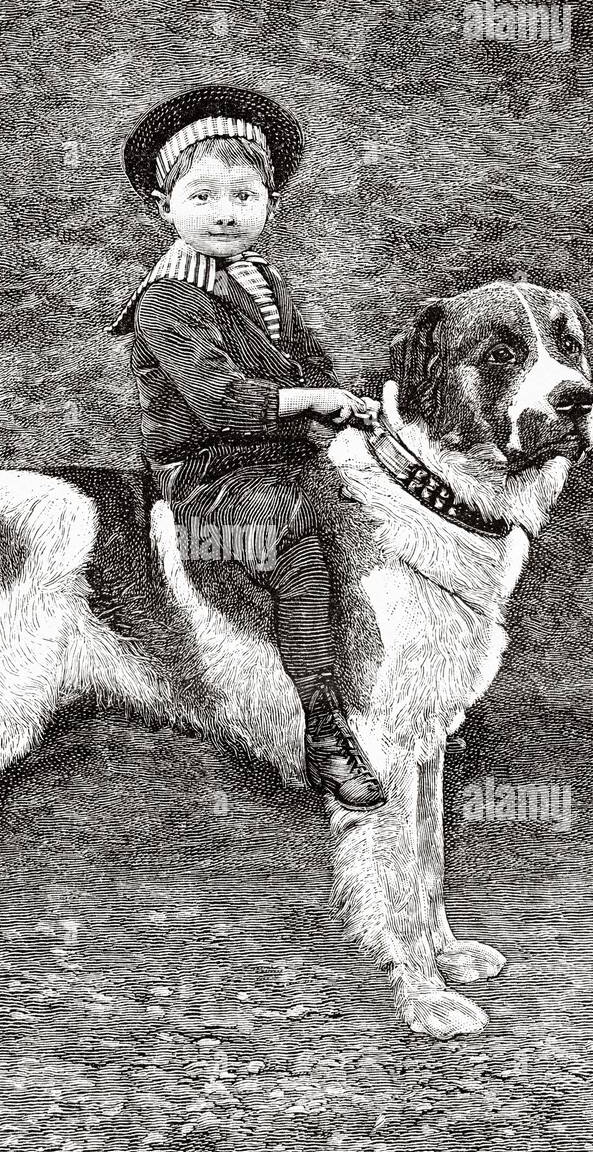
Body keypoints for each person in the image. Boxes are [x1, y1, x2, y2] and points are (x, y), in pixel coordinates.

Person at [110, 85, 386, 810]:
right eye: (202, 196)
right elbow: (221, 402)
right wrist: (307, 404)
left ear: (268, 203)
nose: (226, 212)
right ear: (164, 208)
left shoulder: (262, 279)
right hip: (208, 474)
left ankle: (385, 688)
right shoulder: (167, 297)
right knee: (291, 541)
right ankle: (323, 731)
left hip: (282, 452)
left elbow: (310, 360)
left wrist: (344, 405)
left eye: (244, 194)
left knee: (375, 509)